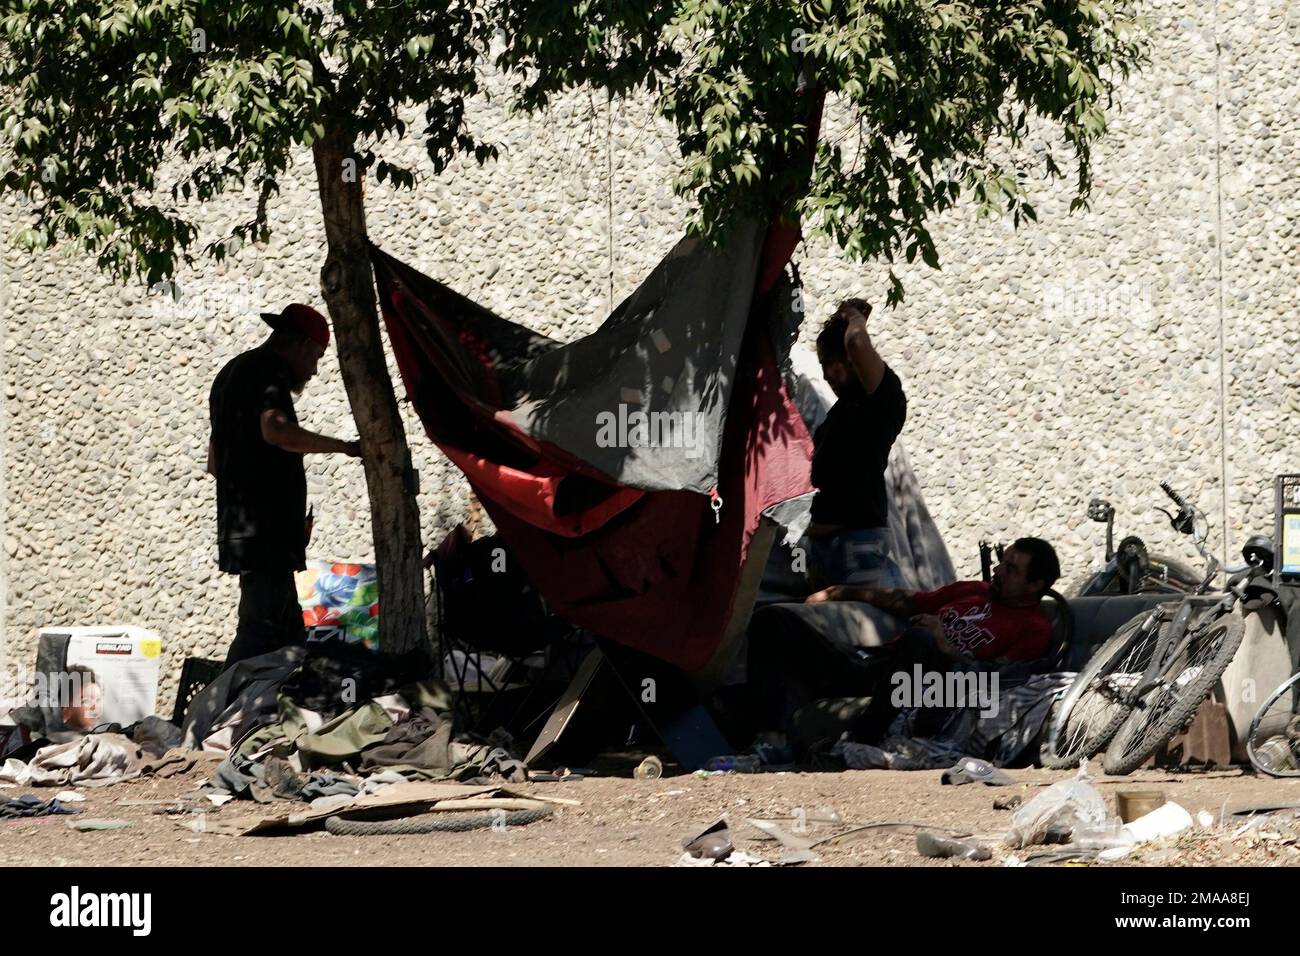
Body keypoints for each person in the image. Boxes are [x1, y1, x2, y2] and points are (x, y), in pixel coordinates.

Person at [742, 537, 1061, 751]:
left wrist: (945, 644)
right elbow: (906, 602)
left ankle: (861, 740)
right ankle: (769, 741)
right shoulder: (973, 590)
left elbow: (1000, 681)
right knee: (772, 620)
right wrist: (841, 592)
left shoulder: (1035, 628)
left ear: (1036, 585)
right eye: (1002, 562)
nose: (998, 571)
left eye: (1011, 569)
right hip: (878, 667)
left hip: (933, 687)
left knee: (921, 639)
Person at [207, 304, 362, 669]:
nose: (315, 368)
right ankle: (220, 714)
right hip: (265, 537)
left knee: (275, 634)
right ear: (303, 346)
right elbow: (275, 429)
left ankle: (241, 713)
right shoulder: (268, 370)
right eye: (317, 356)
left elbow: (216, 463)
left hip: (246, 532)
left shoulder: (230, 373)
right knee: (270, 638)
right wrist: (346, 448)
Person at [803, 298, 907, 590]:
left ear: (849, 359)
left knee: (853, 631)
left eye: (828, 363)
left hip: (856, 545)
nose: (825, 374)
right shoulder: (845, 410)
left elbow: (858, 343)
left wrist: (854, 316)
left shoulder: (883, 401)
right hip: (829, 546)